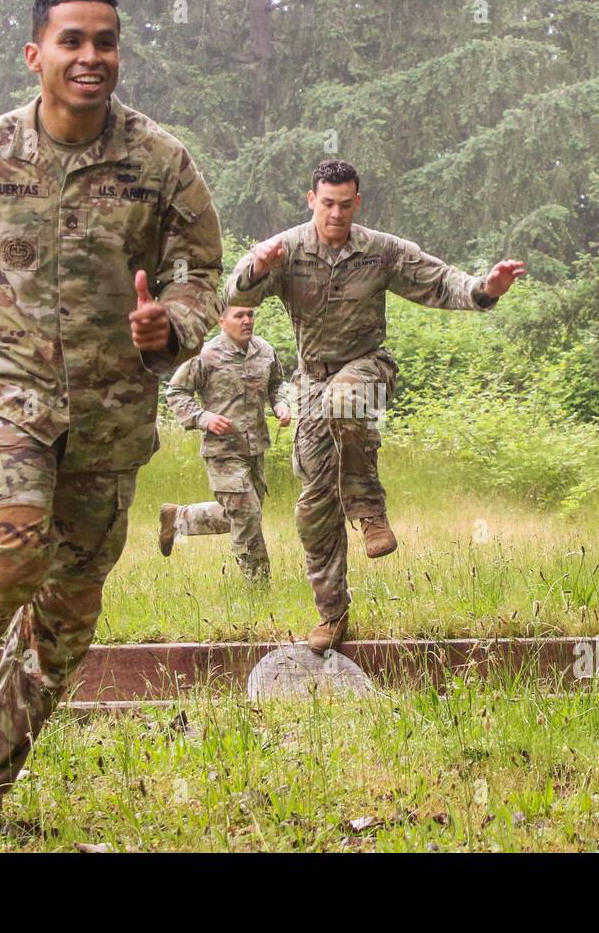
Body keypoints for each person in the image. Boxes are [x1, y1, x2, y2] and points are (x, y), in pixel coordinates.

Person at [0, 0, 222, 828]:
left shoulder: (161, 163)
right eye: (73, 41)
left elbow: (203, 275)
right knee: (3, 552)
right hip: (8, 394)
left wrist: (170, 323)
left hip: (110, 418)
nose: (91, 57)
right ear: (37, 55)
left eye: (105, 42)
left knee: (63, 627)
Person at [223, 159, 525, 653]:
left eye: (346, 204)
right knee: (313, 506)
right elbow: (238, 295)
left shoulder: (379, 250)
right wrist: (255, 265)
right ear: (311, 199)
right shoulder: (289, 248)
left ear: (357, 202)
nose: (336, 213)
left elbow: (440, 279)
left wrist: (485, 289)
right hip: (310, 383)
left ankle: (368, 509)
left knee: (347, 400)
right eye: (327, 204)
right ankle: (332, 613)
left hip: (367, 366)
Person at [160, 305, 290, 582]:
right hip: (222, 451)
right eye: (239, 316)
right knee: (247, 515)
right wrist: (202, 417)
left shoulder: (265, 350)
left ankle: (179, 518)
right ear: (222, 321)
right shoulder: (205, 356)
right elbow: (176, 391)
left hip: (255, 447)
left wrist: (281, 404)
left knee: (241, 513)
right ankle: (258, 589)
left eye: (250, 314)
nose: (247, 320)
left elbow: (277, 384)